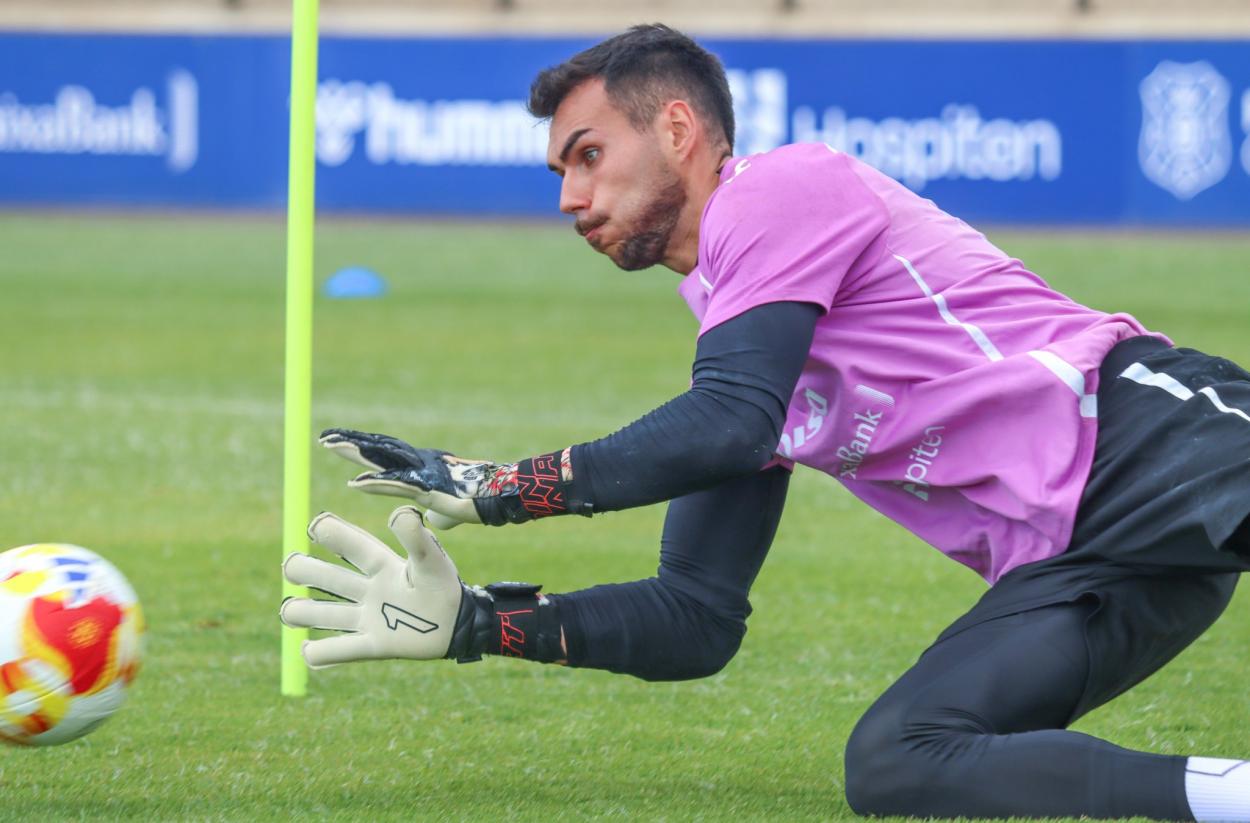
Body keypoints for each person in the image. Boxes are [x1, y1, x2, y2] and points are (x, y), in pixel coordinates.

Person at [279, 24, 1250, 820]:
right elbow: (692, 618)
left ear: (674, 128)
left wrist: (497, 489)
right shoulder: (742, 338)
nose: (570, 198)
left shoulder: (782, 190)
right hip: (1078, 560)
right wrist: (479, 624)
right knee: (895, 762)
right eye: (556, 174)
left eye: (586, 156)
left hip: (1148, 436)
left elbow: (727, 423)